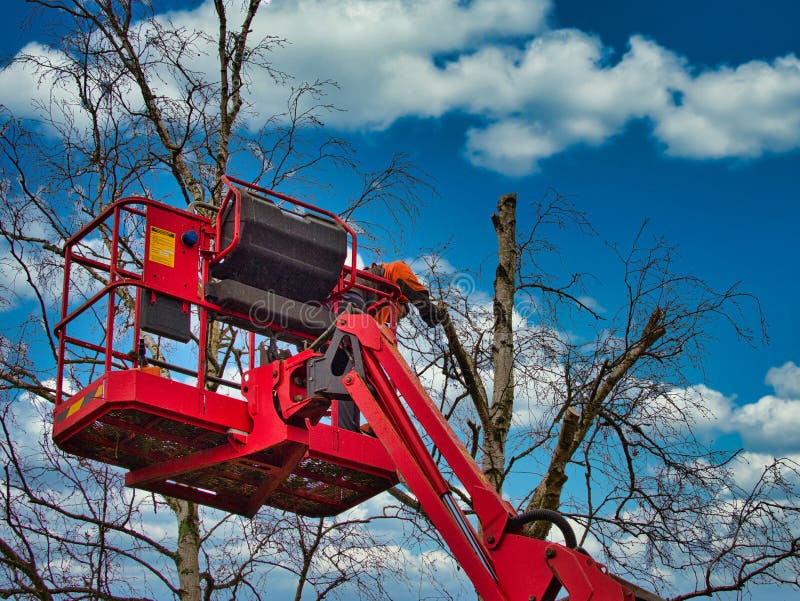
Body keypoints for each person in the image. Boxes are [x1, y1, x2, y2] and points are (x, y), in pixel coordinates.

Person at [337, 260, 446, 432]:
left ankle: (348, 431)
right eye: (401, 314)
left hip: (349, 318)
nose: (394, 319)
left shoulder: (378, 313)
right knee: (354, 355)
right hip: (353, 292)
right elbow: (402, 274)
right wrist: (425, 307)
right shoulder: (388, 275)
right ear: (400, 302)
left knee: (351, 375)